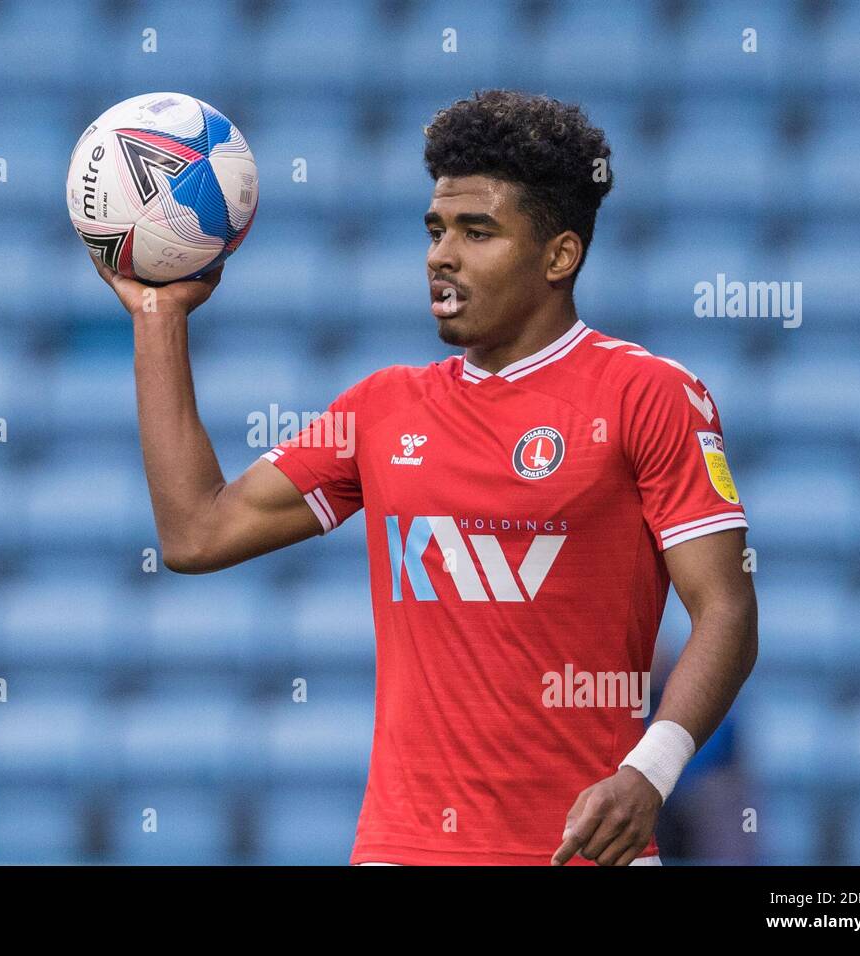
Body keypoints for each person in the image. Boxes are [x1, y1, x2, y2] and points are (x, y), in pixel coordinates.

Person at [88, 89, 758, 866]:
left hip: (583, 854)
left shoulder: (649, 396)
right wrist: (157, 321)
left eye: (478, 233)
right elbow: (196, 534)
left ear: (559, 255)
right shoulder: (382, 409)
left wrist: (651, 771)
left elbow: (727, 610)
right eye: (436, 229)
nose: (442, 254)